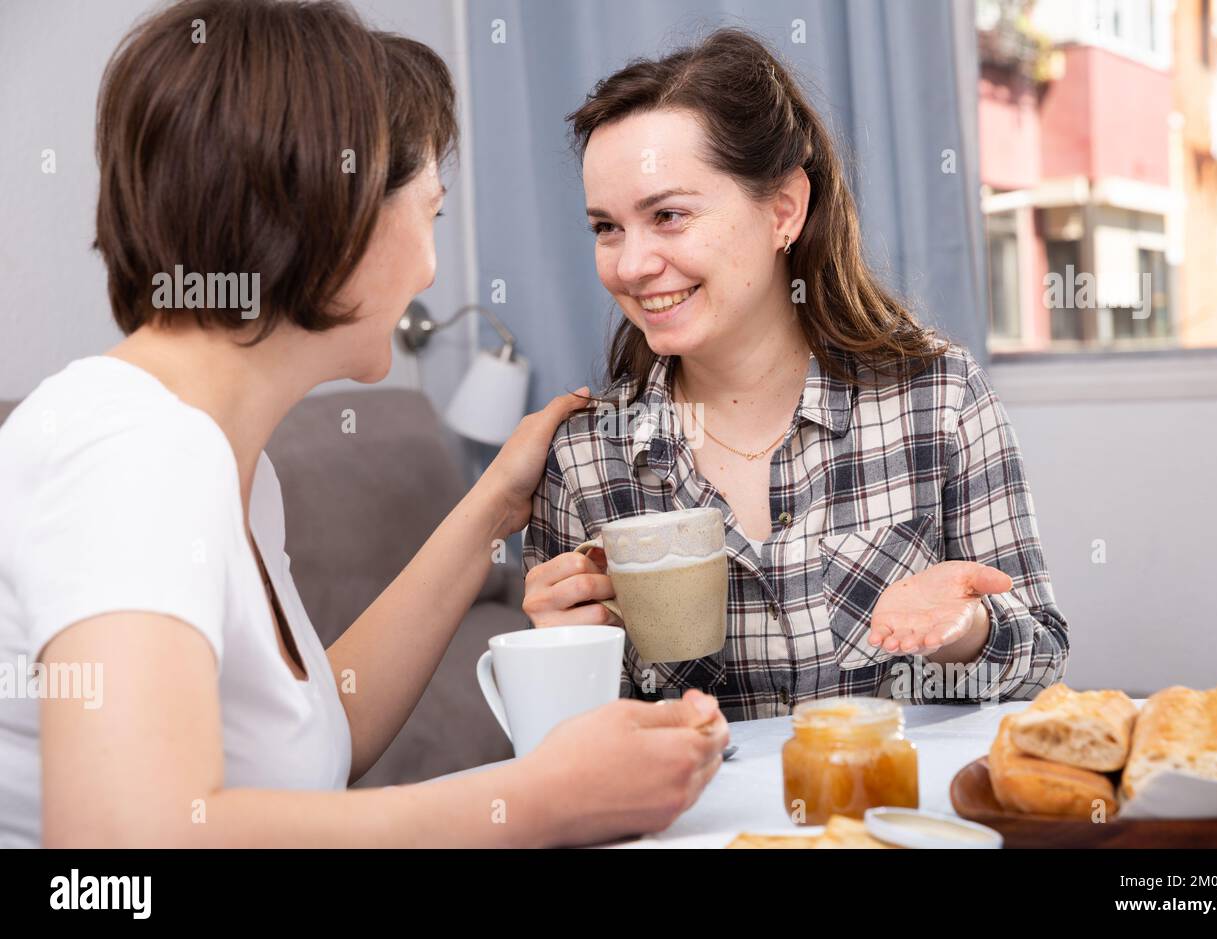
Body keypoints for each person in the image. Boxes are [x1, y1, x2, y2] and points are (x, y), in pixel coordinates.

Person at [0, 0, 727, 849]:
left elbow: (310, 743)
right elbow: (126, 845)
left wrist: (495, 502)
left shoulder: (228, 464)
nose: (428, 263)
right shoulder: (133, 447)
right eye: (431, 211)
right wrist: (534, 801)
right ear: (334, 218)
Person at [522, 29, 1068, 719]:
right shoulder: (584, 460)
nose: (629, 265)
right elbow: (570, 760)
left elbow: (1043, 663)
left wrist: (965, 632)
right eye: (607, 227)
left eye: (668, 215)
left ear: (784, 210)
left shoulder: (939, 398)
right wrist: (562, 664)